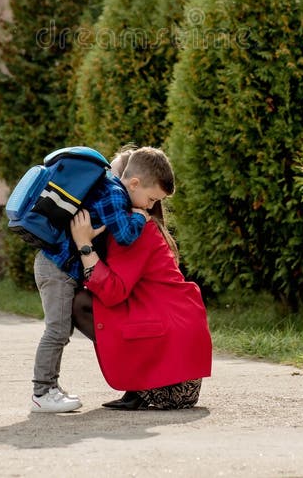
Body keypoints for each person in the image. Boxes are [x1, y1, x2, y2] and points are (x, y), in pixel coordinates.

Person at [31, 145, 175, 413]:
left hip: (60, 267)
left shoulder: (110, 190)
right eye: (152, 199)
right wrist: (141, 218)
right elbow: (125, 236)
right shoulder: (114, 195)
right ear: (134, 182)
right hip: (56, 269)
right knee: (57, 330)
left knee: (60, 330)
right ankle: (43, 391)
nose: (151, 206)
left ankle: (50, 388)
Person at [70, 150, 212, 410]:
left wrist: (83, 243)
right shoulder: (141, 223)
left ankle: (141, 385)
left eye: (114, 178)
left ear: (132, 184)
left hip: (172, 384)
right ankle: (139, 383)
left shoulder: (135, 231)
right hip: (179, 360)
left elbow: (112, 292)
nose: (110, 185)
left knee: (79, 304)